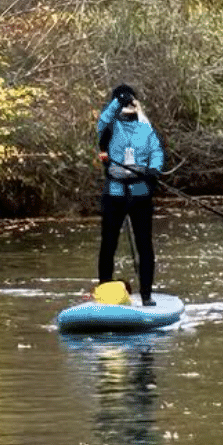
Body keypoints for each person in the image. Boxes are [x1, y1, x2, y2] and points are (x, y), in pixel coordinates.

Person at [96, 82, 165, 305]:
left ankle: (146, 295)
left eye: (129, 103)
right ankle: (105, 292)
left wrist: (155, 168)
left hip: (140, 192)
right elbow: (103, 121)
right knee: (109, 244)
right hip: (114, 192)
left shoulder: (145, 128)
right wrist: (117, 101)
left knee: (145, 245)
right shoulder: (110, 125)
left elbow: (155, 150)